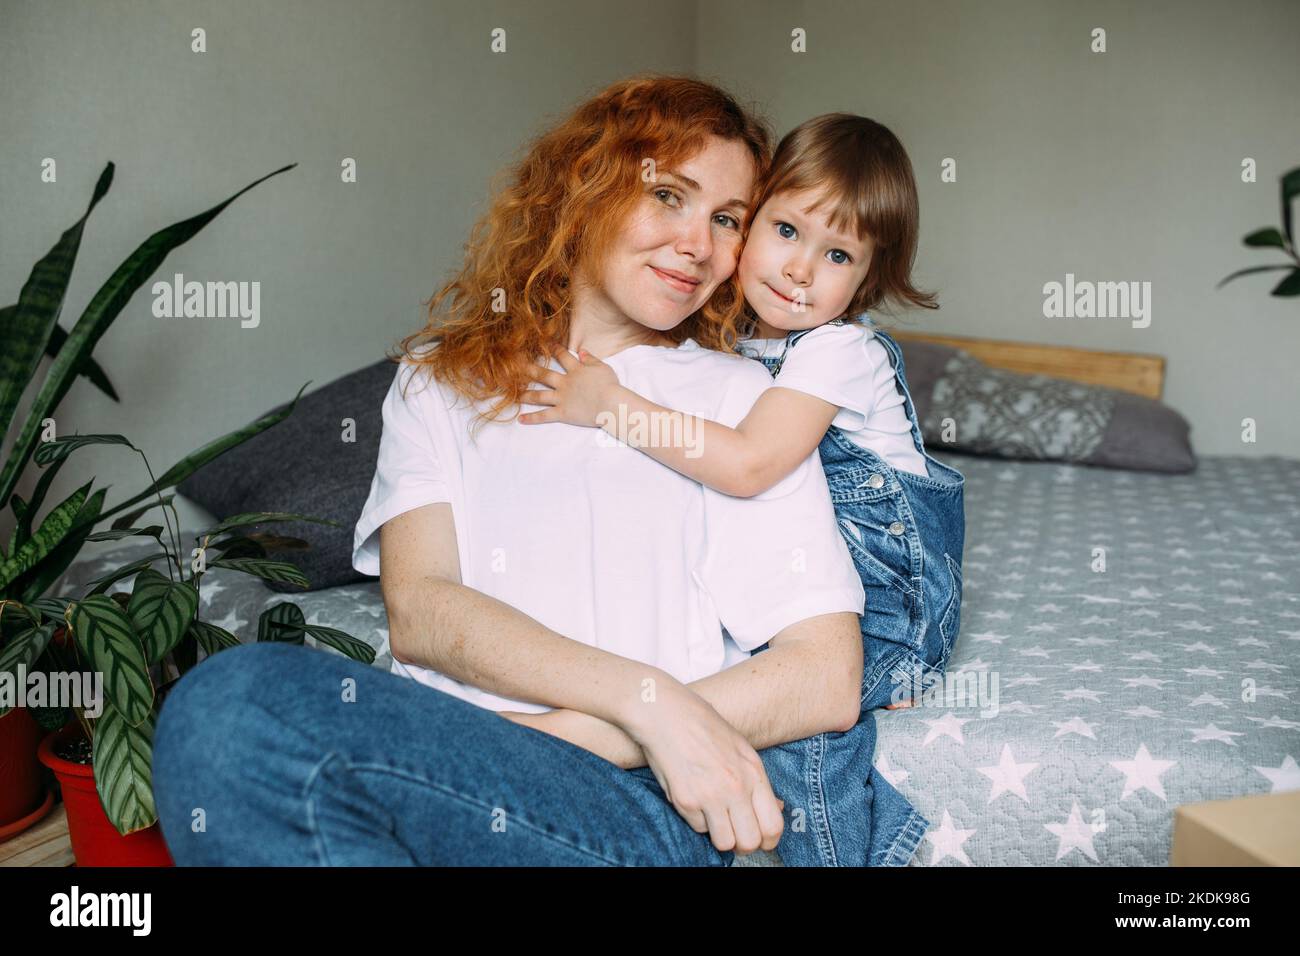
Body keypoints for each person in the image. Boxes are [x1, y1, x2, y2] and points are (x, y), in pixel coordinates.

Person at [151, 76, 928, 867]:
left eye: (727, 218)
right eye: (668, 195)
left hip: (631, 802)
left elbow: (824, 676)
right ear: (585, 192)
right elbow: (422, 610)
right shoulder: (435, 382)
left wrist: (642, 733)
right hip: (459, 762)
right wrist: (649, 701)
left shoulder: (743, 399)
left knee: (230, 708)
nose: (698, 243)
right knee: (223, 707)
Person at [518, 112, 967, 721]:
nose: (799, 269)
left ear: (867, 279)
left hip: (885, 614)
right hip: (787, 588)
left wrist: (609, 405)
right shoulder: (732, 338)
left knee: (765, 715)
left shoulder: (840, 352)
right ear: (749, 225)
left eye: (838, 254)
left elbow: (748, 464)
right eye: (785, 229)